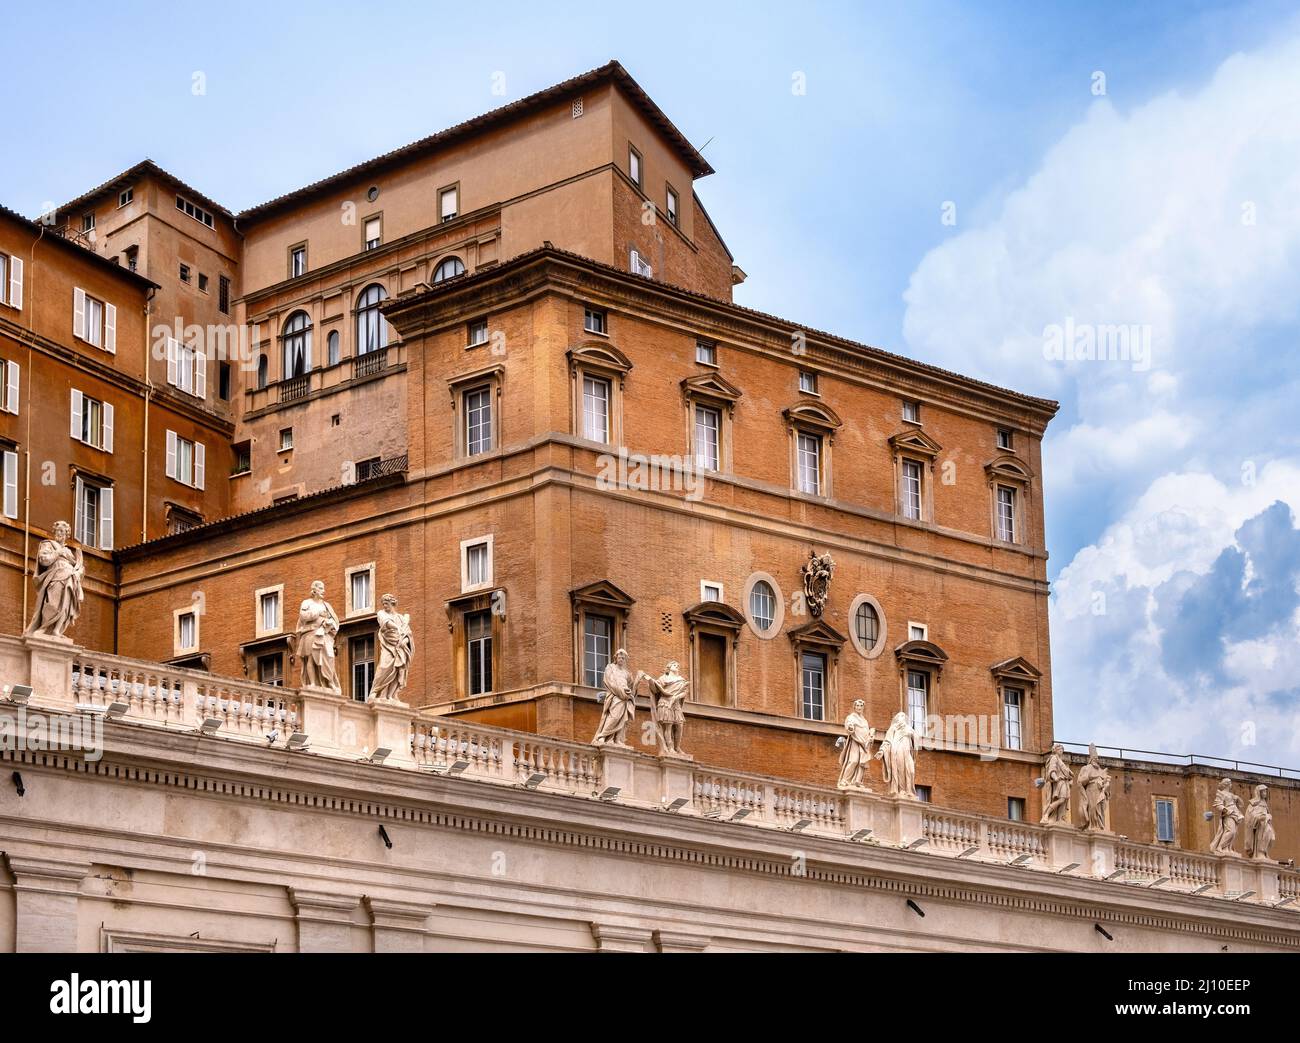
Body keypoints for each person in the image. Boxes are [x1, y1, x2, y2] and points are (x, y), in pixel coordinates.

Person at [25, 521, 84, 639]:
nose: (59, 533)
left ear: (67, 534)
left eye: (62, 531)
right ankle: (43, 628)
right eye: (57, 531)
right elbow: (44, 560)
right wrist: (58, 552)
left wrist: (78, 572)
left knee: (65, 605)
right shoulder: (48, 544)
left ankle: (56, 630)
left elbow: (79, 567)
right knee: (52, 603)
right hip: (55, 577)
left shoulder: (68, 552)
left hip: (70, 579)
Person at [294, 580, 341, 692]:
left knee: (329, 657)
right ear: (314, 590)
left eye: (323, 588)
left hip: (324, 634)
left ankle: (329, 681)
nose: (323, 591)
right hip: (310, 633)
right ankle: (313, 683)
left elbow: (335, 620)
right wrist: (318, 613)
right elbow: (303, 616)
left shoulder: (327, 606)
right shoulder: (307, 603)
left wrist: (329, 623)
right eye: (320, 588)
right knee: (311, 658)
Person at [368, 594, 413, 703]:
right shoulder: (381, 613)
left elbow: (408, 634)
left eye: (386, 604)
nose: (384, 606)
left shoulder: (401, 618)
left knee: (398, 669)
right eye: (383, 604)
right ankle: (375, 691)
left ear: (392, 603)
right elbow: (386, 623)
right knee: (384, 666)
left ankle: (391, 695)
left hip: (401, 646)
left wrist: (404, 641)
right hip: (389, 645)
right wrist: (398, 628)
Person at [591, 649, 635, 746]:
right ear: (616, 658)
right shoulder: (610, 667)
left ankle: (617, 739)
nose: (621, 659)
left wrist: (628, 692)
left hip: (625, 698)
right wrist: (621, 692)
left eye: (623, 658)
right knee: (614, 716)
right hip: (616, 696)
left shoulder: (627, 673)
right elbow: (609, 682)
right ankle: (602, 736)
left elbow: (631, 686)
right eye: (619, 657)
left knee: (623, 718)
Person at [647, 661, 689, 757]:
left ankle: (677, 747)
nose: (677, 666)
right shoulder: (663, 678)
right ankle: (669, 747)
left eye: (678, 665)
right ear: (669, 667)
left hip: (676, 704)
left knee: (679, 725)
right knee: (668, 726)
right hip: (665, 703)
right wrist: (650, 681)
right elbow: (655, 690)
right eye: (675, 665)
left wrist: (676, 697)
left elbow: (684, 692)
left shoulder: (681, 680)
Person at [876, 712, 918, 798]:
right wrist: (882, 751)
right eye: (900, 716)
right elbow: (887, 741)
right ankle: (902, 790)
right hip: (897, 750)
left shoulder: (909, 729)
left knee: (911, 771)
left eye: (903, 716)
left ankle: (909, 790)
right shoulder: (893, 728)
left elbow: (916, 742)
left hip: (907, 752)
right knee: (900, 770)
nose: (902, 717)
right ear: (896, 719)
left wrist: (912, 734)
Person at [836, 699, 874, 791]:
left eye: (861, 706)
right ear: (854, 707)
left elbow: (867, 731)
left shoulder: (865, 721)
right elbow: (849, 726)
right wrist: (850, 727)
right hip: (855, 741)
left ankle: (857, 781)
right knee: (853, 761)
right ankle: (845, 780)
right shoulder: (851, 717)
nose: (859, 707)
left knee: (861, 763)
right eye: (857, 706)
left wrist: (871, 736)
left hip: (864, 744)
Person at [1077, 745, 1111, 831]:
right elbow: (1080, 781)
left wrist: (1105, 783)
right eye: (1094, 758)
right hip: (1091, 789)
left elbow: (1107, 783)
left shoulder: (1101, 770)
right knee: (1093, 808)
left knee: (1101, 809)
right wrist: (1089, 777)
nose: (1096, 759)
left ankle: (1100, 825)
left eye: (1097, 758)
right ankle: (1093, 825)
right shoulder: (1087, 768)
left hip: (1100, 791)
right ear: (1091, 759)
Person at [1040, 743, 1073, 824]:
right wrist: (1056, 778)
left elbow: (1070, 774)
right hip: (1059, 782)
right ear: (1055, 750)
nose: (1061, 750)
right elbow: (1052, 770)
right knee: (1061, 799)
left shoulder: (1061, 761)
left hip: (1064, 782)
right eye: (1059, 749)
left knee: (1064, 800)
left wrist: (1070, 779)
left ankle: (1060, 818)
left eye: (1062, 749)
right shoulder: (1054, 758)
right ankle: (1046, 815)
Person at [1210, 778, 1244, 855]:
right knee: (1230, 831)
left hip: (1235, 813)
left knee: (1234, 832)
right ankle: (1220, 847)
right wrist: (1225, 810)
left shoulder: (1232, 795)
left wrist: (1238, 798)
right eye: (1230, 783)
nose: (1231, 785)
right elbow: (1217, 804)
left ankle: (1228, 848)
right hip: (1228, 813)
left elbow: (1241, 805)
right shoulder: (1221, 793)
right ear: (1227, 784)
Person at [1243, 784, 1275, 861]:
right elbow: (1250, 816)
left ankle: (1264, 852)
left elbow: (1267, 814)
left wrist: (1268, 816)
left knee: (1271, 836)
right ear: (1259, 793)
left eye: (1265, 792)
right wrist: (1259, 817)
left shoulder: (1265, 804)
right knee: (1266, 832)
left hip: (1266, 823)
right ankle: (1260, 852)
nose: (1265, 793)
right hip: (1258, 825)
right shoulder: (1253, 803)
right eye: (1263, 791)